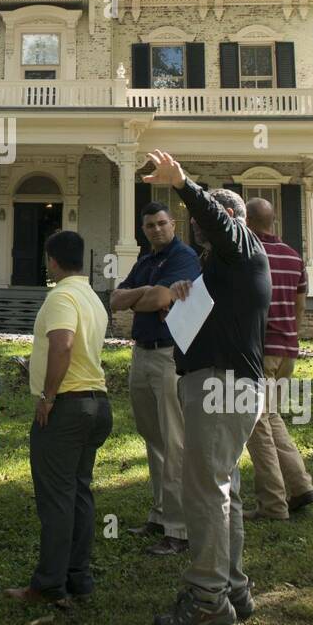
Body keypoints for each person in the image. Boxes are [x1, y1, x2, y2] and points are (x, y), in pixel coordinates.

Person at [142, 151, 271, 625]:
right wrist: (184, 296)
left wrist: (183, 184)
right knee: (225, 488)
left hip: (220, 384)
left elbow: (218, 222)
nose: (199, 235)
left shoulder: (241, 243)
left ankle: (206, 597)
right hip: (230, 383)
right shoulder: (229, 268)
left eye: (202, 226)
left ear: (229, 219)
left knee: (204, 489)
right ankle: (233, 586)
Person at [5, 230, 112, 606]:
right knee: (80, 493)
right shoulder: (93, 298)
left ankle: (50, 584)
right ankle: (78, 578)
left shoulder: (61, 295)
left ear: (51, 260)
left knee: (56, 500)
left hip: (68, 406)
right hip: (97, 405)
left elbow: (63, 344)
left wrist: (48, 397)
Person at [111, 202, 201, 555]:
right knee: (153, 437)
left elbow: (162, 297)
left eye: (162, 224)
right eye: (149, 226)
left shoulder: (184, 257)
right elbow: (116, 298)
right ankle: (160, 514)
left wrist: (146, 296)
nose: (156, 230)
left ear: (173, 224)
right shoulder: (146, 261)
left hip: (168, 354)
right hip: (141, 352)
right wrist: (142, 298)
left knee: (174, 439)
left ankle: (179, 530)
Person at [243, 197, 313, 520]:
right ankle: (301, 486)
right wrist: (292, 337)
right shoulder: (293, 256)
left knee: (255, 423)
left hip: (260, 350)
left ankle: (272, 503)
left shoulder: (249, 255)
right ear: (273, 221)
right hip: (287, 349)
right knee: (271, 416)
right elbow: (300, 306)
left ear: (246, 222)